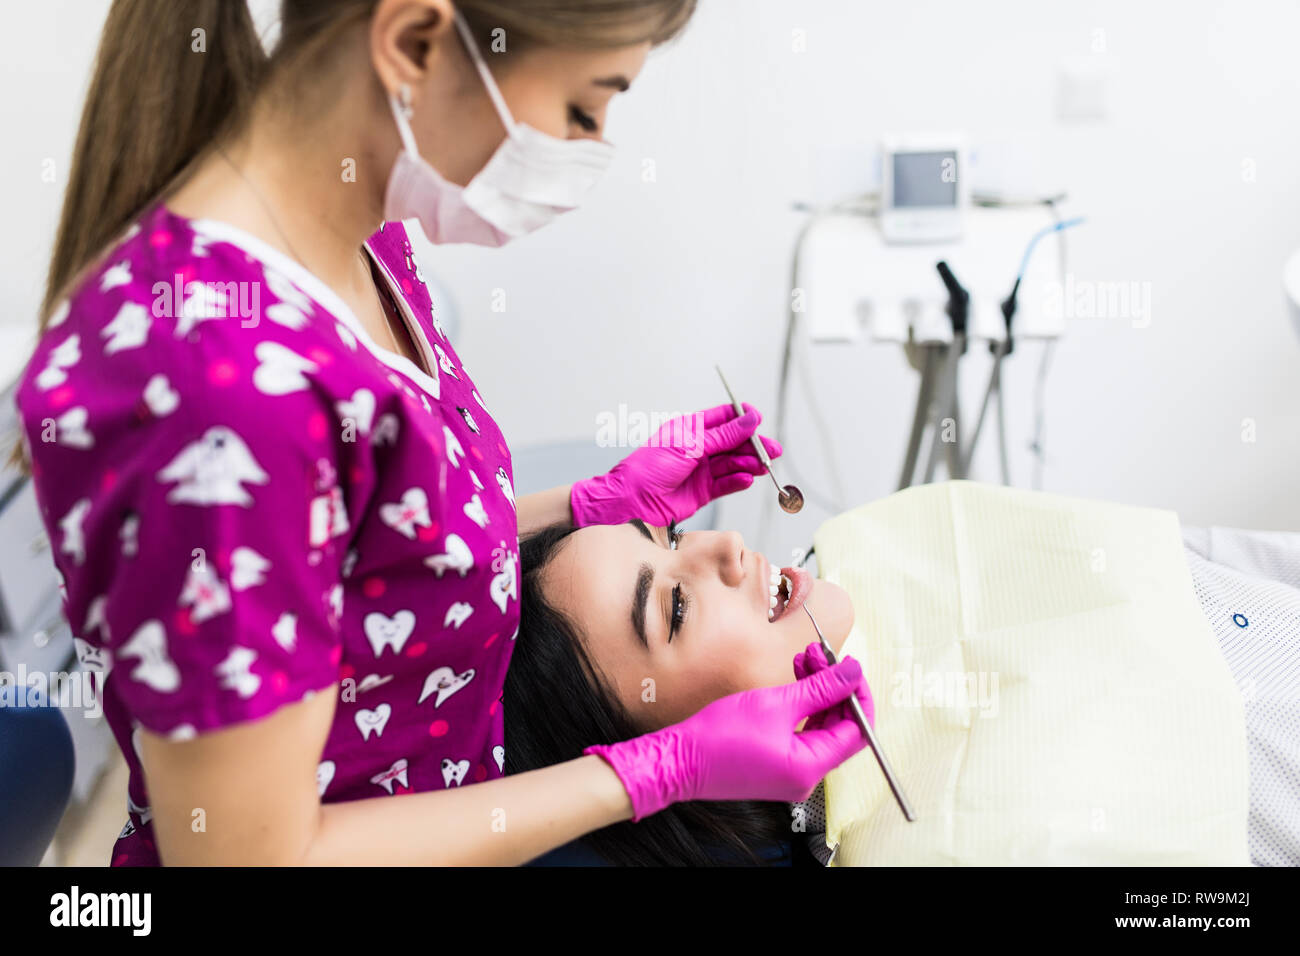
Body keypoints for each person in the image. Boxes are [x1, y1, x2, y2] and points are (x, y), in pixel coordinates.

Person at [13, 0, 874, 866]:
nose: (591, 150)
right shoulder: (216, 387)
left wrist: (587, 503)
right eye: (583, 109)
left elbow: (371, 567)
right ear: (415, 41)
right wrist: (652, 773)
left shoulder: (361, 245)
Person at [507, 516, 1300, 866]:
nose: (726, 546)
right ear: (681, 762)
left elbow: (1202, 561)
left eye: (672, 537)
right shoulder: (923, 843)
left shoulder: (895, 541)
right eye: (674, 608)